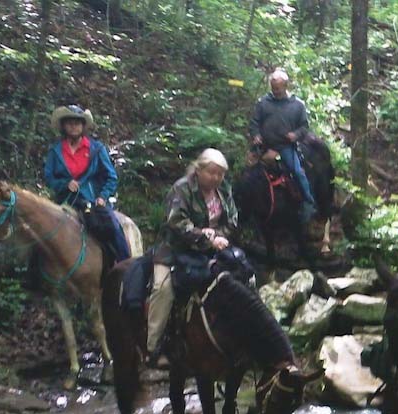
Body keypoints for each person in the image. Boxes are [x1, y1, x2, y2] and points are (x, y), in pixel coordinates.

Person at [146, 148, 239, 363]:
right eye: (211, 172)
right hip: (176, 247)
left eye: (220, 174)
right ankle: (153, 345)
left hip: (215, 246)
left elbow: (232, 220)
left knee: (242, 275)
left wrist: (217, 237)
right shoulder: (182, 189)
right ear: (199, 170)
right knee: (163, 288)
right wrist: (205, 237)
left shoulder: (224, 189)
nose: (216, 178)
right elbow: (177, 222)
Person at [43, 104, 129, 263]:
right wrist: (64, 184)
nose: (74, 126)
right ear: (63, 126)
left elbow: (111, 176)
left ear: (83, 126)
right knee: (41, 231)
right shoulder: (55, 151)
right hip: (65, 200)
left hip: (92, 201)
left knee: (112, 227)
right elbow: (49, 177)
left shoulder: (96, 149)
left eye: (77, 122)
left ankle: (125, 266)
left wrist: (103, 196)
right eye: (70, 122)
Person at [249, 68, 317, 221]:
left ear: (286, 86)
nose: (275, 92)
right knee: (250, 173)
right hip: (264, 146)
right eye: (273, 88)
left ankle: (308, 202)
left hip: (285, 146)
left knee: (297, 172)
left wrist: (295, 135)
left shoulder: (298, 105)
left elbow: (304, 127)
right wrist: (256, 135)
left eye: (278, 89)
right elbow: (254, 123)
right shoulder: (263, 103)